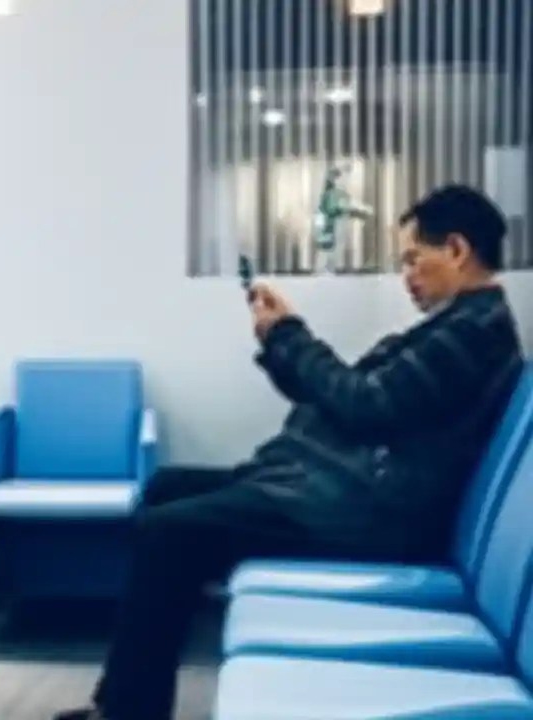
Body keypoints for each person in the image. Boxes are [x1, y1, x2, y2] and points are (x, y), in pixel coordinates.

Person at [54, 184, 525, 720]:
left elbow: (362, 404)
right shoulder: (463, 328)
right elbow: (347, 396)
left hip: (369, 514)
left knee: (167, 532)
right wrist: (279, 340)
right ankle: (123, 699)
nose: (407, 277)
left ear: (458, 250)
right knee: (166, 489)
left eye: (414, 260)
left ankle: (128, 710)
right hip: (356, 493)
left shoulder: (471, 336)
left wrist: (290, 336)